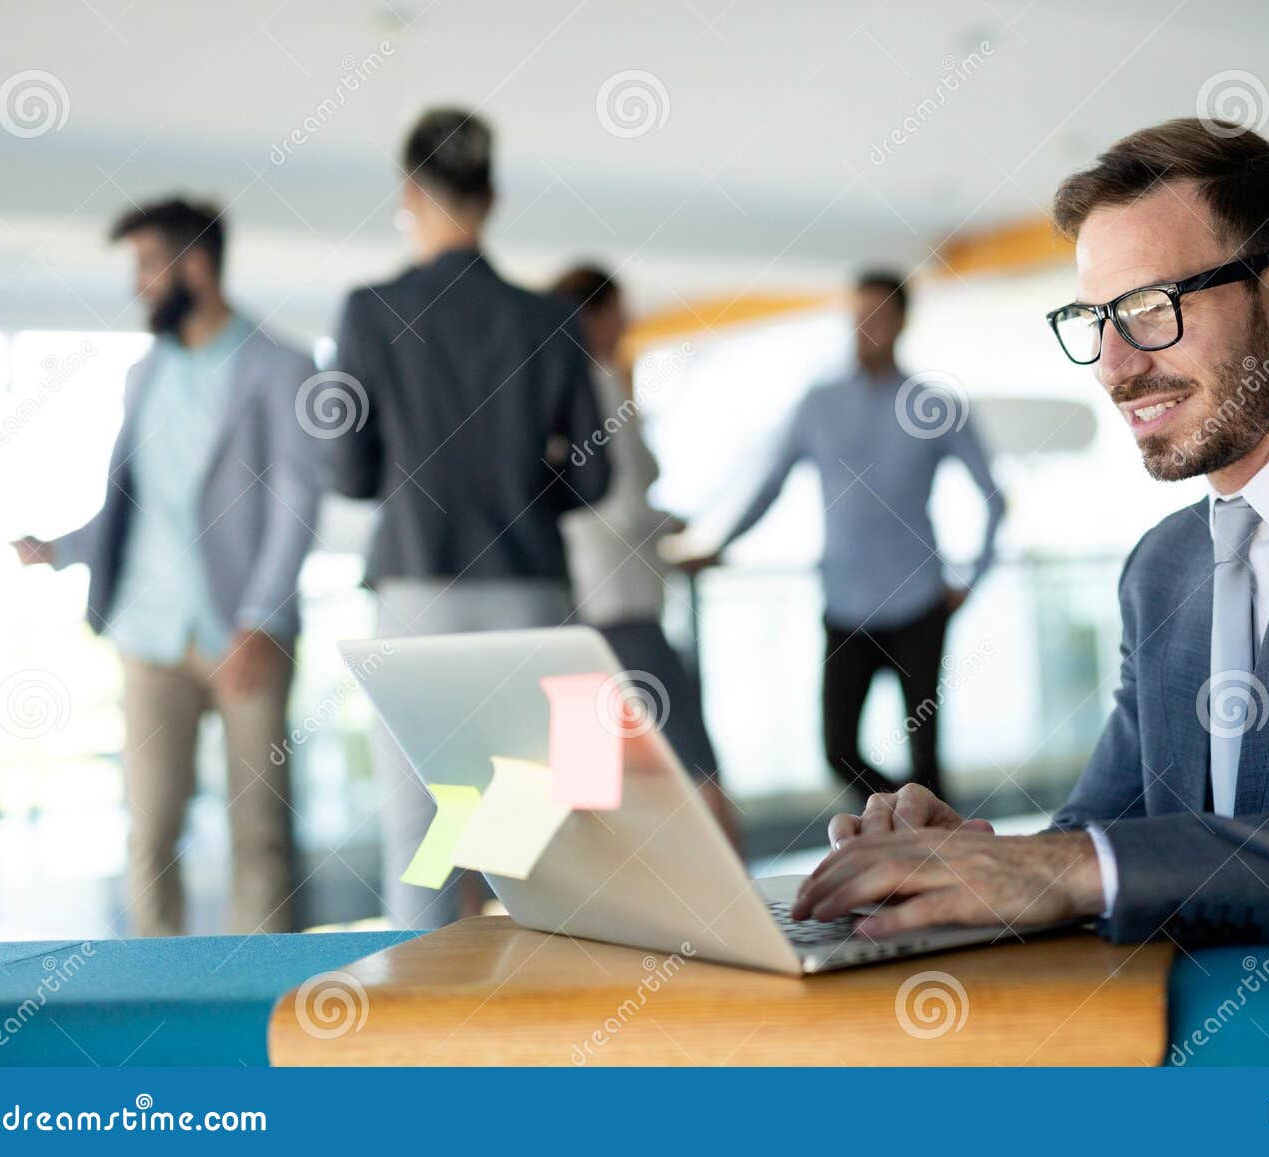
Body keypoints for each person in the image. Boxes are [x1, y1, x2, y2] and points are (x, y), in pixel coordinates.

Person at [792, 118, 1269, 945]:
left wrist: (1076, 869)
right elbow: (1101, 835)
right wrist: (967, 866)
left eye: (1147, 308)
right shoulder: (1162, 568)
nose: (1113, 365)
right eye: (1093, 317)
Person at [328, 109, 610, 929]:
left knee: (421, 836)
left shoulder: (369, 311)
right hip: (530, 595)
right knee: (535, 836)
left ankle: (418, 1045)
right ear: (494, 197)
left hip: (416, 593)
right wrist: (529, 485)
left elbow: (349, 473)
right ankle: (547, 1035)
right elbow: (594, 474)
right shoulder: (552, 317)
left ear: (409, 193)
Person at [12, 198, 322, 936]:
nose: (139, 284)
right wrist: (62, 548)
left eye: (149, 266)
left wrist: (262, 616)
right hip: (148, 635)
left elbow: (297, 499)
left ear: (199, 267)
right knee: (149, 834)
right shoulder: (144, 375)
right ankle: (156, 1006)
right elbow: (136, 506)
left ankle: (263, 1010)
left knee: (260, 835)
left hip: (245, 635)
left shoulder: (280, 366)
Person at [681, 272, 1006, 804]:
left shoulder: (934, 405)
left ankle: (938, 865)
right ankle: (909, 820)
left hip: (919, 603)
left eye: (878, 316)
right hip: (844, 606)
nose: (865, 328)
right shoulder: (818, 403)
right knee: (837, 752)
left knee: (927, 762)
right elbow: (770, 485)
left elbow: (993, 496)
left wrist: (973, 579)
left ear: (901, 322)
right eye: (857, 317)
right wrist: (717, 546)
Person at [551, 265, 739, 847]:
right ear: (594, 315)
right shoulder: (600, 383)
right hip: (624, 604)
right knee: (697, 768)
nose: (627, 323)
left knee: (586, 787)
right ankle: (749, 911)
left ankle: (591, 920)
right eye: (619, 312)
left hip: (578, 611)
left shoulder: (552, 386)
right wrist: (668, 525)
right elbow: (624, 506)